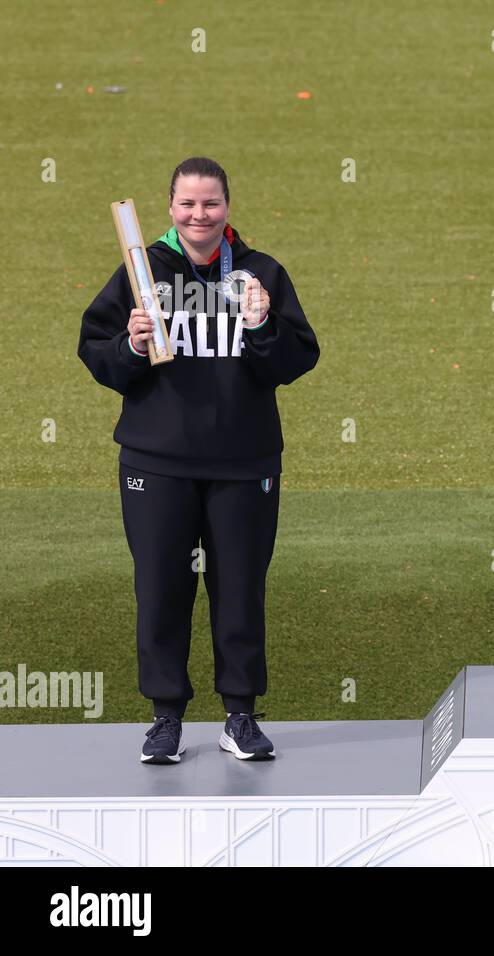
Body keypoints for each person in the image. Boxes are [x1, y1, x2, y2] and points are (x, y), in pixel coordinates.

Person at [78, 157, 320, 763]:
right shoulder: (141, 272)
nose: (199, 215)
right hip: (156, 463)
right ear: (170, 208)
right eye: (187, 204)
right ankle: (165, 721)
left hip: (245, 462)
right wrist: (131, 344)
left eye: (210, 203)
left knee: (240, 588)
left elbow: (296, 361)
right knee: (161, 589)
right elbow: (96, 353)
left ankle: (240, 717)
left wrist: (262, 324)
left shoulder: (260, 273)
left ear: (227, 207)